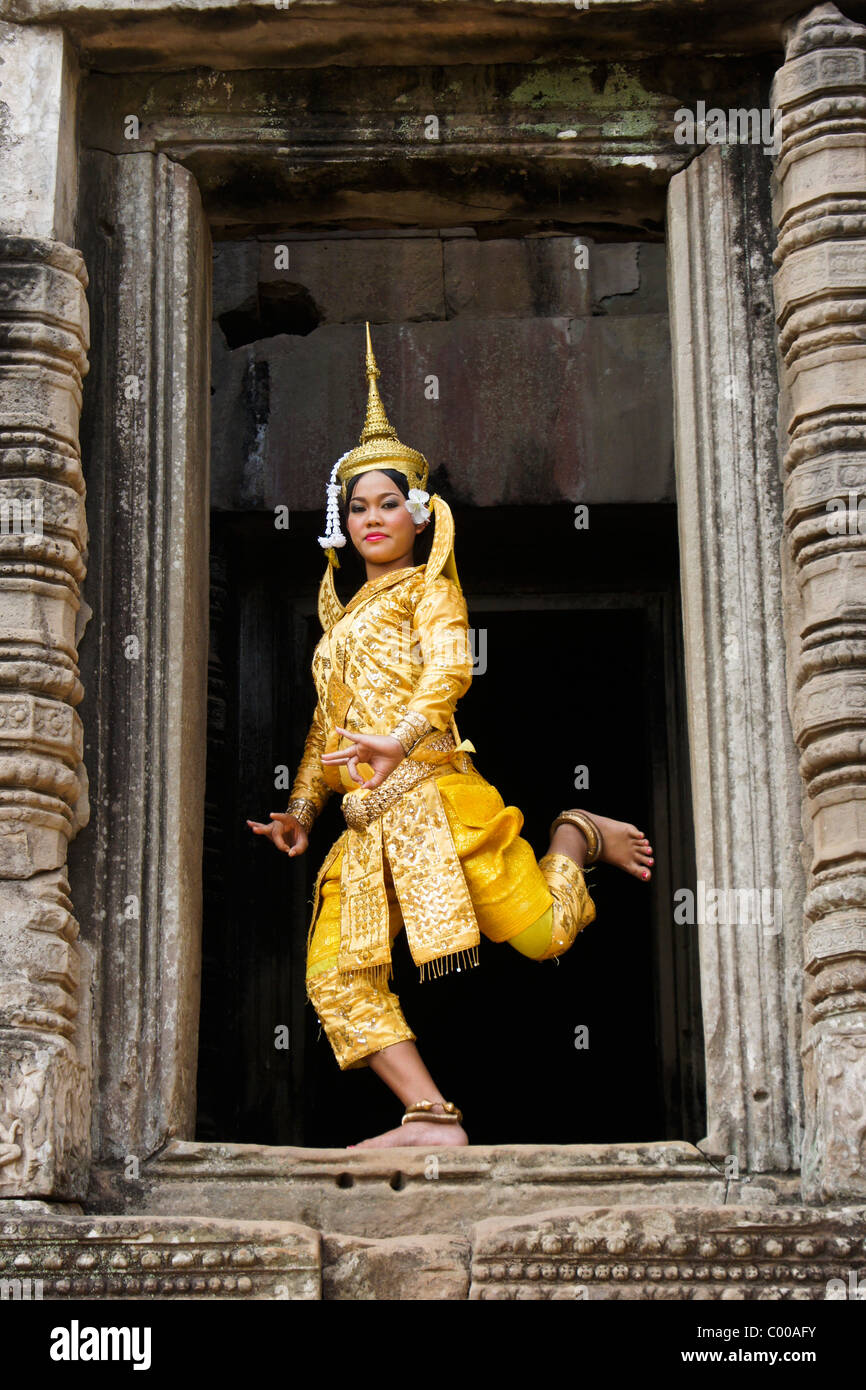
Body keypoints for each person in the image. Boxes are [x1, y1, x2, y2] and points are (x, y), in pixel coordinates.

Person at [248, 323, 654, 1149]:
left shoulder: (426, 592)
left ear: (418, 514)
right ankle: (430, 1117)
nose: (372, 518)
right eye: (357, 506)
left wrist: (401, 737)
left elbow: (449, 673)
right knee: (333, 974)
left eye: (388, 503)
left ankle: (575, 834)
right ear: (343, 519)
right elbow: (326, 727)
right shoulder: (334, 628)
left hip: (436, 803)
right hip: (366, 832)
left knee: (542, 938)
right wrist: (300, 808)